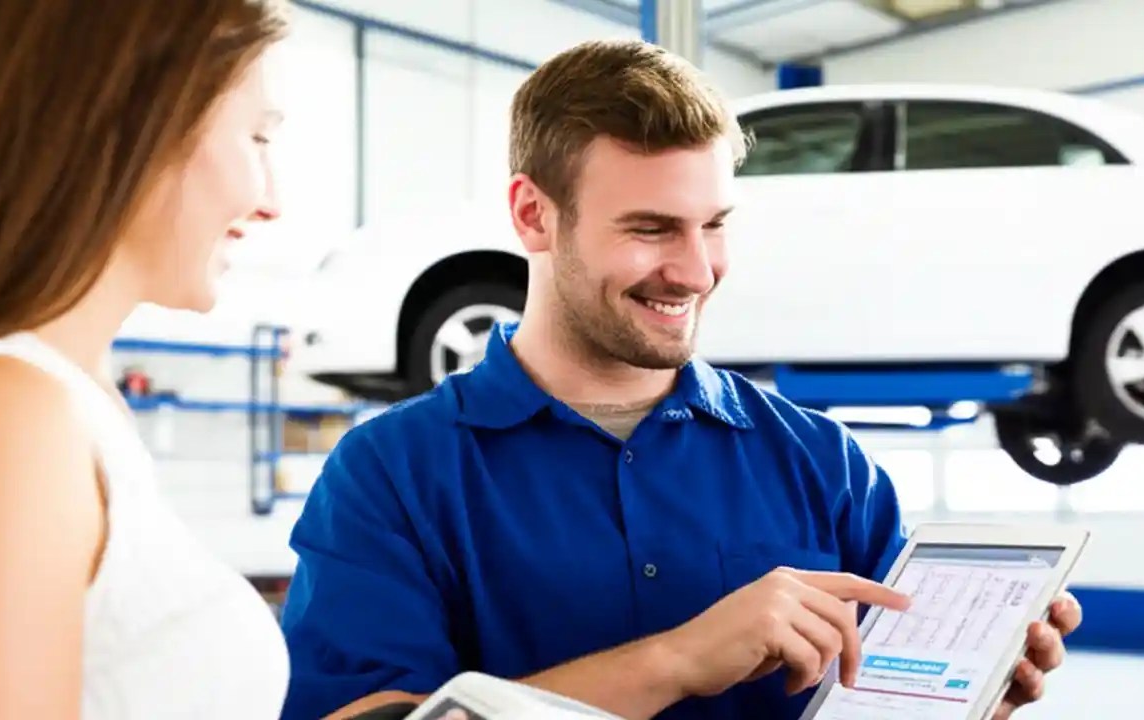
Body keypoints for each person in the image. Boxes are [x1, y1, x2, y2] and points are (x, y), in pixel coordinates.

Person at [279, 39, 1082, 720]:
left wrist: (975, 695)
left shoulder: (823, 463)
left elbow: (876, 694)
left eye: (715, 225)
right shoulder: (389, 475)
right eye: (651, 229)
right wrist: (679, 659)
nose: (696, 272)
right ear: (533, 215)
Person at [0, 1, 292, 717]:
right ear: (142, 116)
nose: (272, 202)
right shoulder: (12, 414)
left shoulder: (79, 407)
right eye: (258, 138)